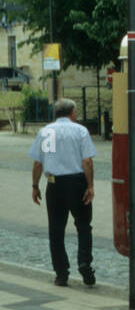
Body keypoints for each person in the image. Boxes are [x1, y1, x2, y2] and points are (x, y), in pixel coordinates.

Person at [29, 98, 97, 287]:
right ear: (72, 113)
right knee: (83, 225)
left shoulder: (46, 132)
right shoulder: (80, 131)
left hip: (54, 184)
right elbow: (87, 162)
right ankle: (84, 262)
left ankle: (61, 273)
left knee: (56, 230)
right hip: (77, 182)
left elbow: (37, 163)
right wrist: (90, 186)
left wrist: (35, 186)